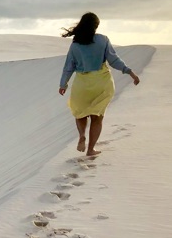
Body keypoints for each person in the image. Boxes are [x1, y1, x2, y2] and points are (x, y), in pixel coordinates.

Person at [58, 12, 139, 156]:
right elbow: (114, 60)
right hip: (101, 82)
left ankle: (82, 135)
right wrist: (129, 72)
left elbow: (69, 66)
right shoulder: (103, 40)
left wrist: (63, 84)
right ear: (96, 26)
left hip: (82, 84)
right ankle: (90, 149)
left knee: (80, 114)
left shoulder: (76, 44)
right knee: (97, 117)